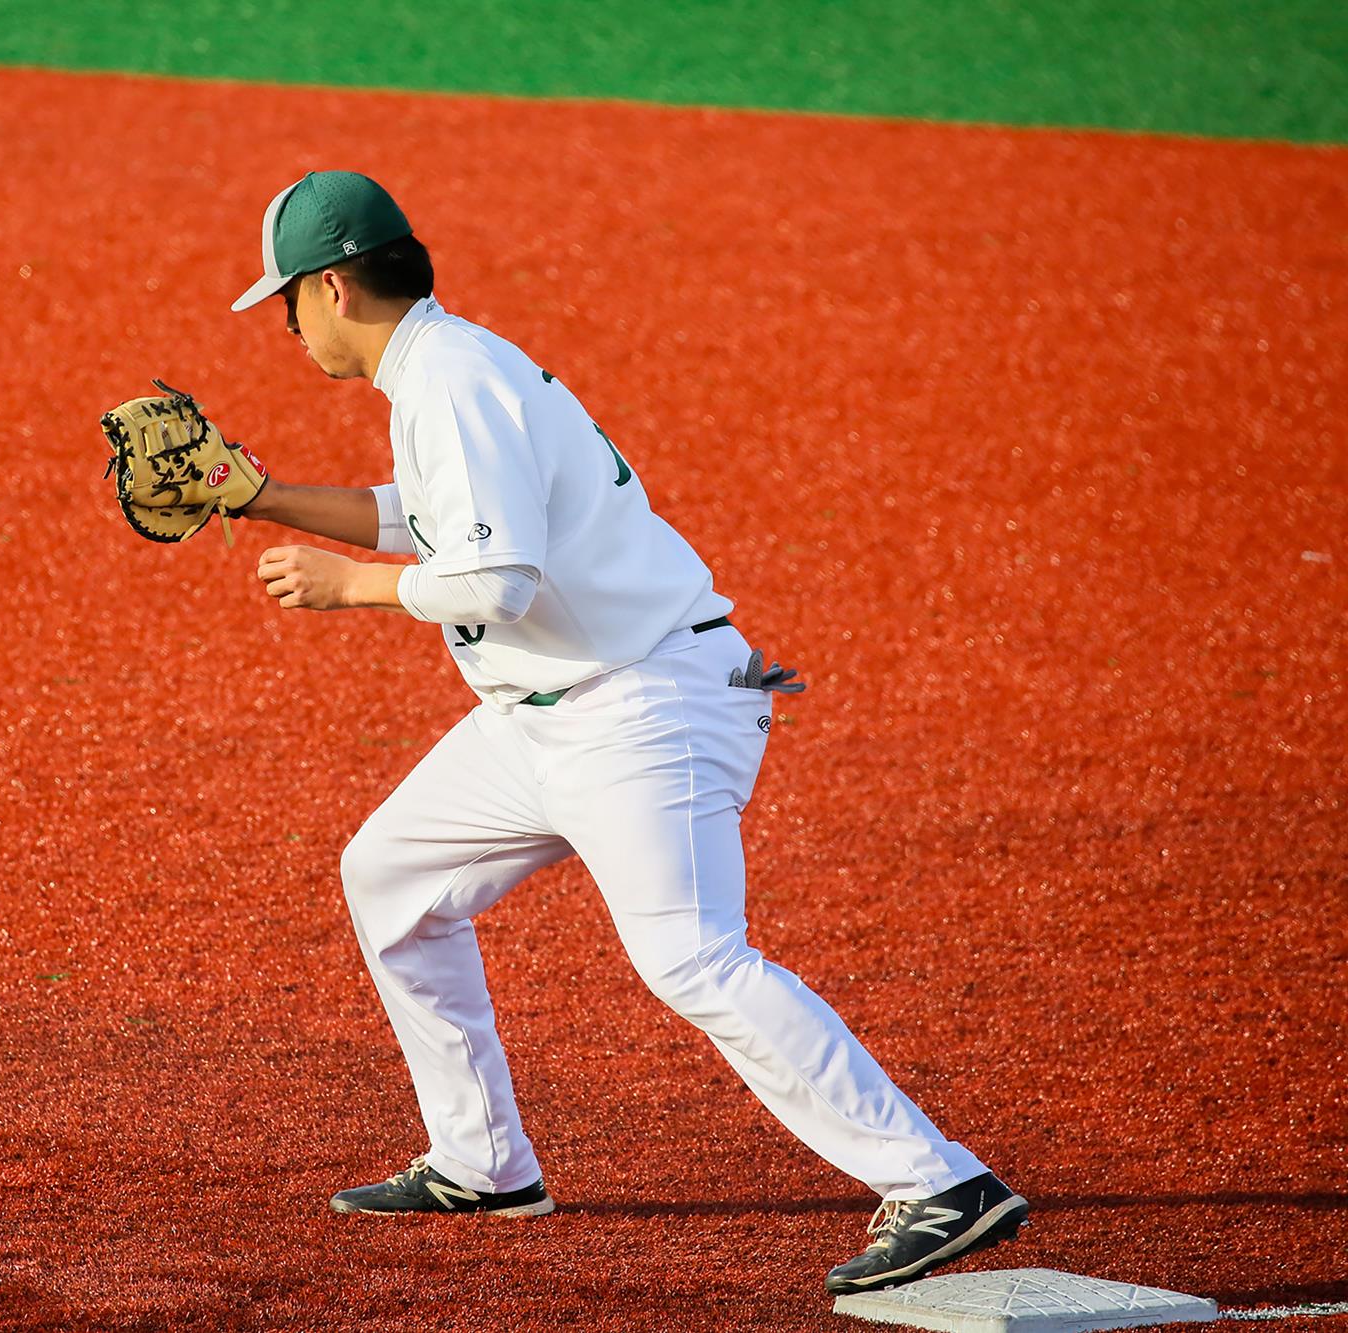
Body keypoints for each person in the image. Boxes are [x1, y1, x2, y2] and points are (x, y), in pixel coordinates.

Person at [226, 170, 1027, 1294]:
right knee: (388, 878)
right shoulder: (444, 371)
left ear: (333, 286)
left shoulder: (450, 380)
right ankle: (482, 1160)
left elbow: (497, 579)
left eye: (286, 303)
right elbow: (425, 516)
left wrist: (345, 587)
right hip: (544, 716)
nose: (285, 326)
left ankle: (939, 1181)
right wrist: (259, 495)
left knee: (691, 955)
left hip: (642, 707)